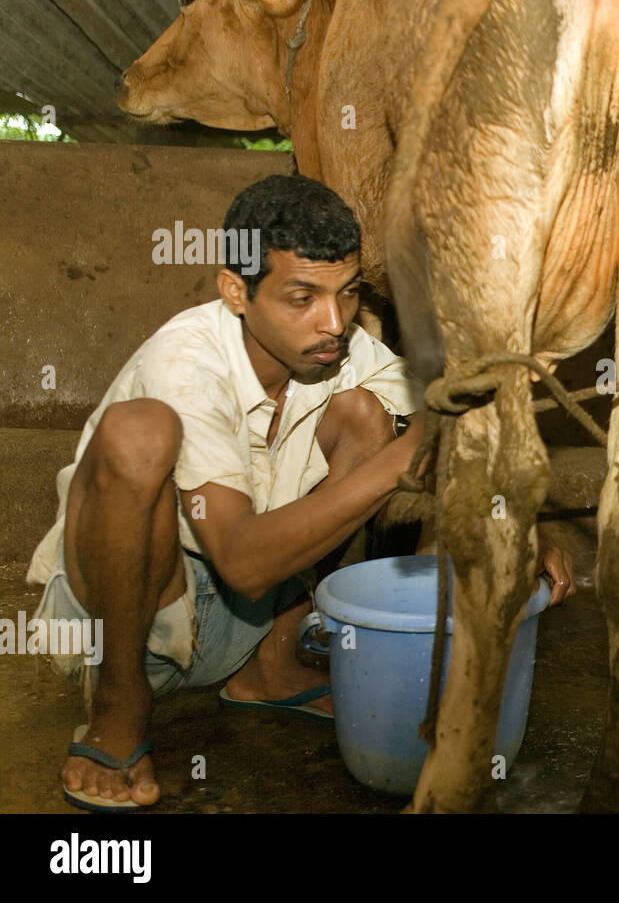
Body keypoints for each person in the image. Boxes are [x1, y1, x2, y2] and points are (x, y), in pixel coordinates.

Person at [27, 175, 576, 811]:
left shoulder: (338, 350)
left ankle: (274, 665)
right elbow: (244, 563)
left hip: (241, 619)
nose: (334, 322)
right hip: (133, 612)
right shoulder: (185, 363)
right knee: (138, 432)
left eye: (346, 295)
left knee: (366, 415)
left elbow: (447, 429)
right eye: (301, 297)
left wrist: (514, 517)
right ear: (236, 290)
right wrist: (407, 451)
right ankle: (117, 712)